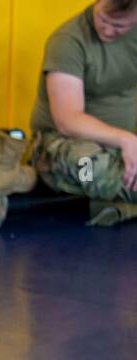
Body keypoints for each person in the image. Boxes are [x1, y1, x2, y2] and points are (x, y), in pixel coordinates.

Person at [30, 0, 137, 225]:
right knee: (92, 170)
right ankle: (109, 196)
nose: (107, 30)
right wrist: (126, 139)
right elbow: (68, 121)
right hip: (62, 147)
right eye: (103, 19)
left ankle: (118, 204)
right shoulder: (68, 41)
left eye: (119, 27)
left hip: (123, 146)